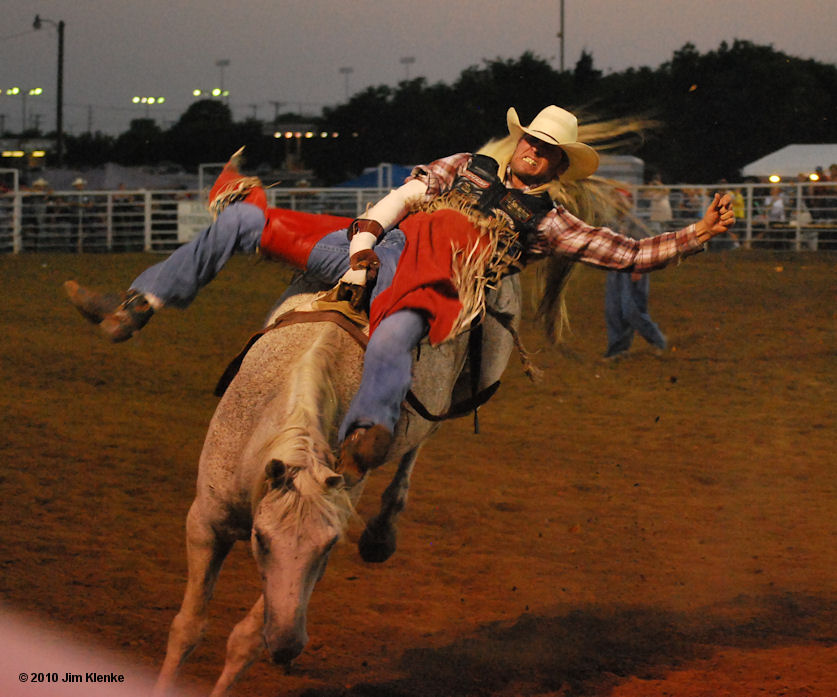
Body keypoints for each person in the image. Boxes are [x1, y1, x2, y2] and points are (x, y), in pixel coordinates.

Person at [66, 105, 735, 482]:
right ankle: (138, 304)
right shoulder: (461, 166)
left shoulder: (549, 220)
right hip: (374, 248)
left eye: (543, 148)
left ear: (556, 164)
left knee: (395, 330)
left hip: (435, 275)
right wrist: (359, 257)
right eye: (529, 139)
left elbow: (624, 252)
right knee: (243, 219)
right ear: (519, 140)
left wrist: (696, 232)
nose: (530, 150)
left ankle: (369, 431)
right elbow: (402, 198)